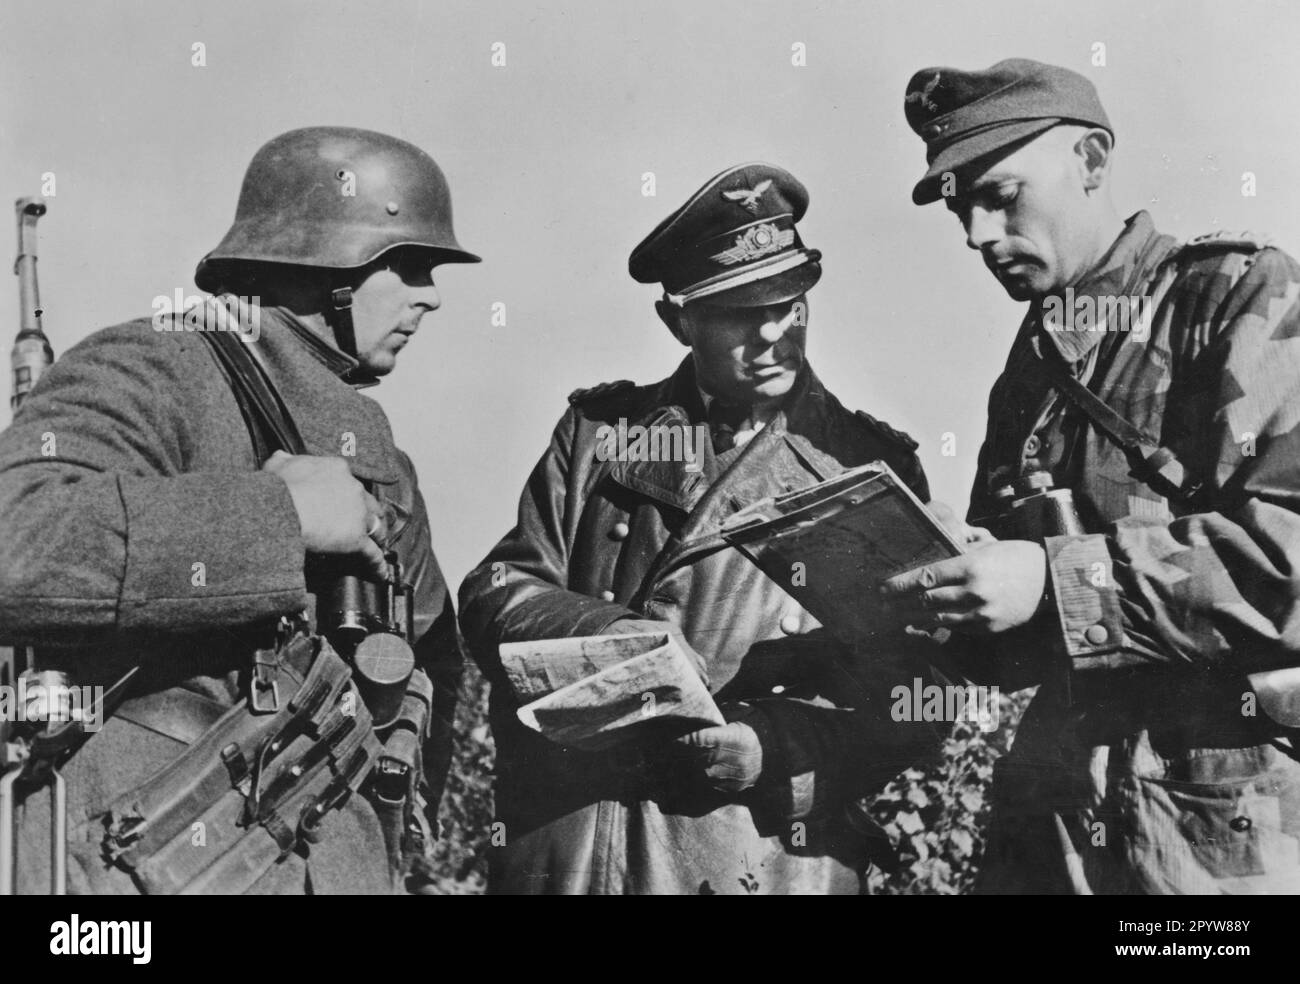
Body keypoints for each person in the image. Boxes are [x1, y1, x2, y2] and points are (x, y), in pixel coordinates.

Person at [0, 126, 477, 894]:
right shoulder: (157, 368)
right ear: (332, 265)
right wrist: (280, 520)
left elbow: (429, 683)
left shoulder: (388, 470)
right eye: (412, 264)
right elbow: (16, 543)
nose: (432, 294)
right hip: (143, 866)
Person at [458, 163, 941, 894]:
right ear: (678, 319)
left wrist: (771, 749)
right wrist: (621, 645)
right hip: (577, 852)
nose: (774, 331)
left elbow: (912, 700)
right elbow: (498, 593)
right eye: (739, 312)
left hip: (755, 857)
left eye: (790, 302)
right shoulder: (600, 435)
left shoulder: (866, 465)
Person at [886, 57, 1300, 893]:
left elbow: (1289, 564)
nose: (976, 233)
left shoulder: (1235, 295)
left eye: (1000, 195)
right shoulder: (1031, 370)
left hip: (1221, 837)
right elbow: (1023, 640)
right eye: (961, 208)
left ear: (1092, 162)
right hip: (1059, 827)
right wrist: (945, 595)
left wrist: (1052, 582)